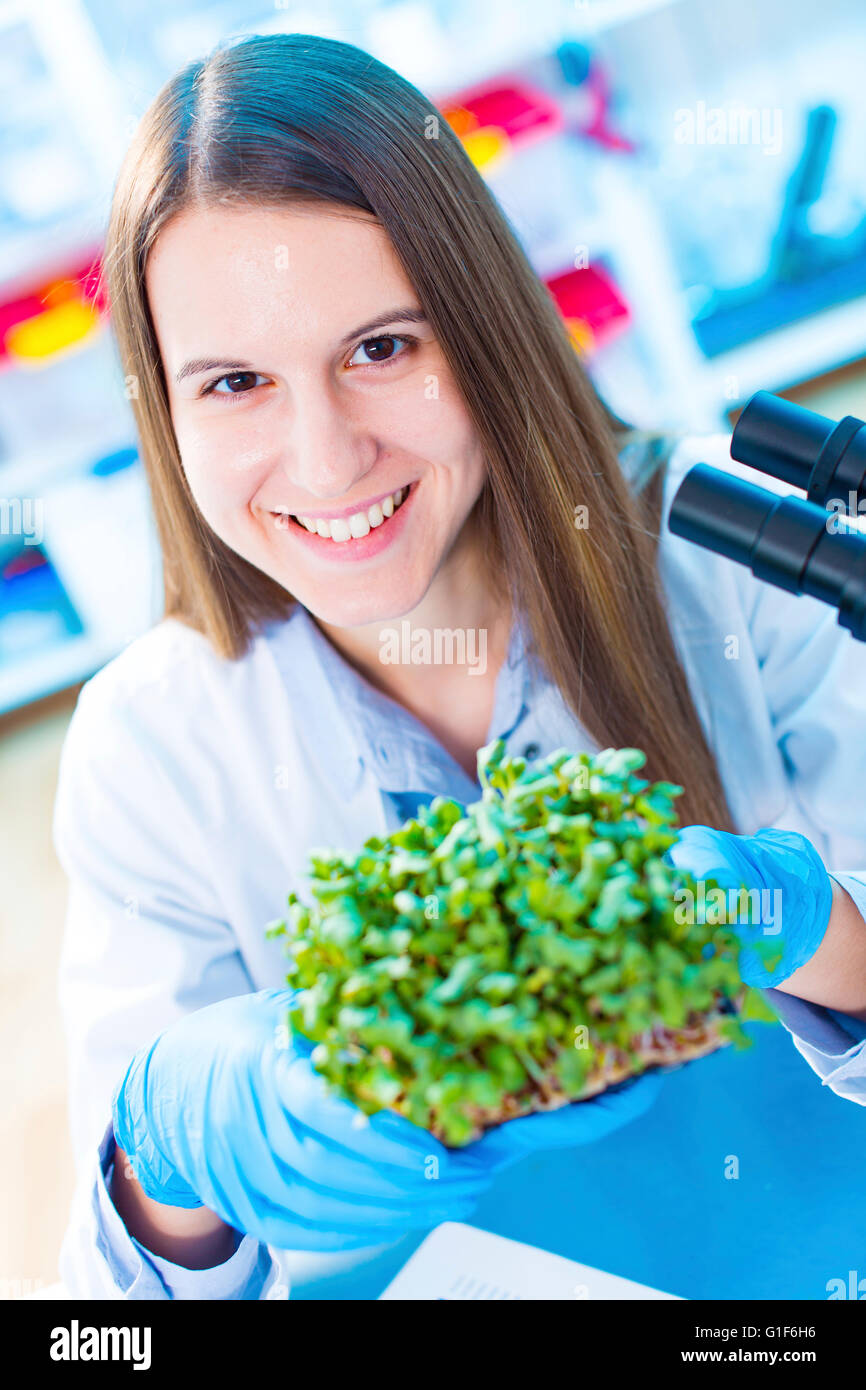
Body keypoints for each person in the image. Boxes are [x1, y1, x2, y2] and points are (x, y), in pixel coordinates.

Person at [54, 32, 866, 1300]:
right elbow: (101, 1333)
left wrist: (812, 922)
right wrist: (164, 1172)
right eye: (234, 382)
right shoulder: (151, 749)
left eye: (382, 349)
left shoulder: (740, 550)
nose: (326, 463)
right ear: (162, 411)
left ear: (486, 327)